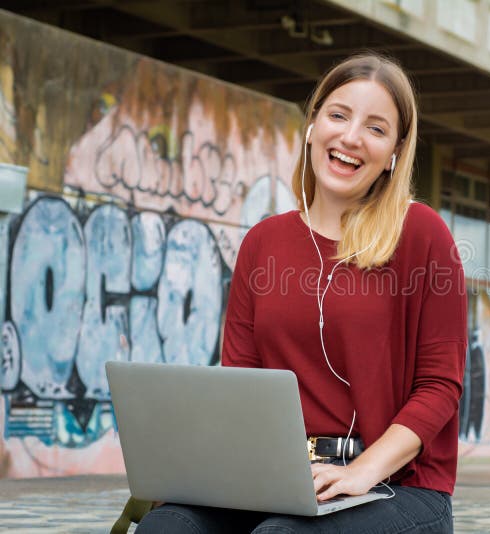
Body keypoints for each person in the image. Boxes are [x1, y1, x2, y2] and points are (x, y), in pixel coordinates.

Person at [136, 53, 467, 533]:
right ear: (312, 127)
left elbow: (440, 387)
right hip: (277, 478)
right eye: (338, 115)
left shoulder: (421, 233)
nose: (351, 137)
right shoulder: (263, 243)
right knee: (168, 528)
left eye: (376, 128)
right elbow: (241, 381)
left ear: (395, 151)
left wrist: (361, 472)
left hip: (398, 486)